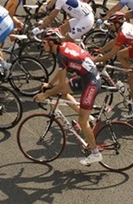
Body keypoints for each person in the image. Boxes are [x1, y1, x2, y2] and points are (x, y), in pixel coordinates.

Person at [33, 28, 103, 165]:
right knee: (64, 93)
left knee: (82, 122)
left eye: (44, 42)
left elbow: (61, 84)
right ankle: (89, 116)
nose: (42, 45)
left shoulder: (61, 56)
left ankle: (95, 153)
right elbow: (61, 73)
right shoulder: (64, 47)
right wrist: (50, 84)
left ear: (52, 43)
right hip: (87, 77)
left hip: (91, 82)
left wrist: (44, 95)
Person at [93, 13, 133, 119]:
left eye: (112, 24)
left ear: (117, 23)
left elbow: (110, 55)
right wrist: (100, 50)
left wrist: (95, 60)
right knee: (121, 54)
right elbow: (114, 42)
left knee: (131, 80)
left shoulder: (123, 33)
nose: (110, 26)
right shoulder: (124, 27)